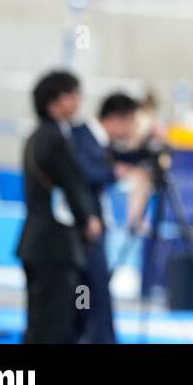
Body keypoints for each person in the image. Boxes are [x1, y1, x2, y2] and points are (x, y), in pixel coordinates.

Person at [16, 71, 102, 344]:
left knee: (39, 322)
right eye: (71, 95)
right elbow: (73, 184)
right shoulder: (56, 139)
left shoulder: (34, 137)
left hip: (36, 242)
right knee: (55, 325)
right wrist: (88, 218)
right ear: (53, 101)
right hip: (56, 245)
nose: (77, 102)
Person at [70, 92, 143, 344]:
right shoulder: (80, 136)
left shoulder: (100, 142)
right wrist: (113, 173)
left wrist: (148, 150)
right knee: (96, 296)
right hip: (84, 228)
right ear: (116, 118)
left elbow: (121, 157)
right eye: (132, 121)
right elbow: (81, 174)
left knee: (95, 296)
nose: (132, 128)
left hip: (95, 226)